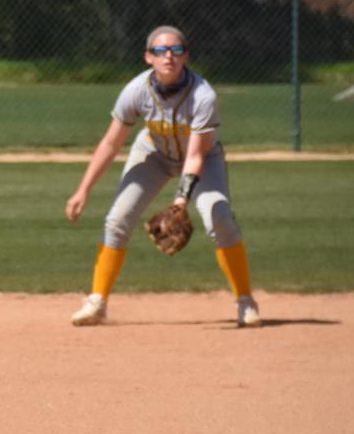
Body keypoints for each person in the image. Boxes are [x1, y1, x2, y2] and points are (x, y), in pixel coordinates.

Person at [63, 25, 262, 329]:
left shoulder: (203, 96)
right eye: (160, 50)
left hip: (203, 159)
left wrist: (181, 200)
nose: (168, 55)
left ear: (186, 57)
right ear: (148, 57)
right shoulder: (136, 91)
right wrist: (83, 190)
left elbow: (195, 156)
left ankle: (246, 302)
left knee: (219, 218)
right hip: (153, 153)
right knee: (117, 219)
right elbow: (110, 143)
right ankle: (97, 302)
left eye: (176, 50)